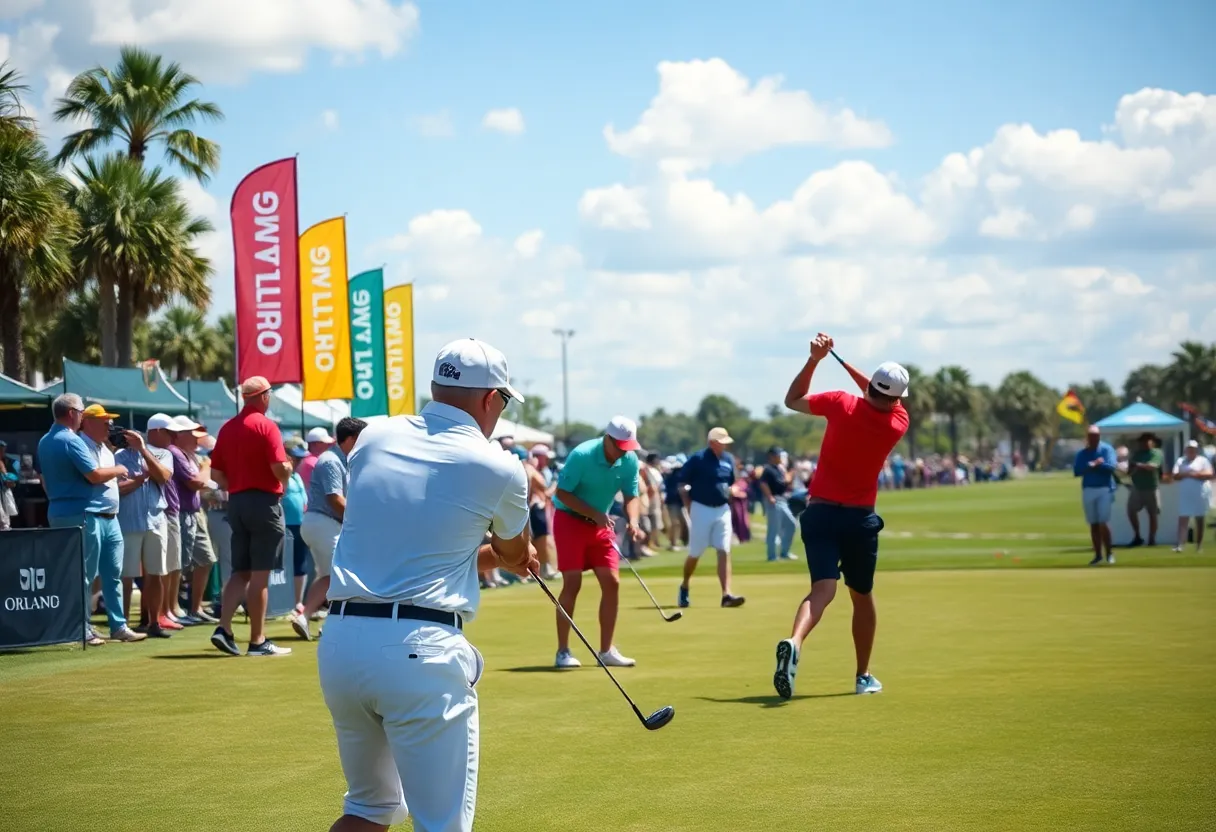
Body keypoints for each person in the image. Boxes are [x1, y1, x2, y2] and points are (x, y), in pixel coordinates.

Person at [317, 337, 537, 832]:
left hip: (342, 644)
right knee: (441, 824)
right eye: (502, 400)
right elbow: (514, 553)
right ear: (490, 399)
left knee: (368, 810)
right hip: (420, 652)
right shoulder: (501, 466)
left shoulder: (373, 436)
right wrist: (517, 557)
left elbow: (417, 542)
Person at [772, 334, 910, 699]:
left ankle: (795, 641)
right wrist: (845, 363)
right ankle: (863, 676)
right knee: (861, 595)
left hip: (818, 514)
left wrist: (817, 359)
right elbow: (879, 393)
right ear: (896, 398)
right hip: (859, 521)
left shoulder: (839, 403)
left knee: (823, 589)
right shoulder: (897, 423)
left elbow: (792, 400)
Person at [551, 416, 647, 669]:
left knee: (612, 582)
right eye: (619, 447)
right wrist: (594, 514)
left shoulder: (629, 460)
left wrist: (634, 521)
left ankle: (606, 650)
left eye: (627, 448)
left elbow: (631, 495)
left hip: (600, 525)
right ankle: (563, 651)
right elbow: (561, 493)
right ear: (607, 439)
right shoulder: (582, 455)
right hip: (570, 520)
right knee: (573, 584)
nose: (622, 454)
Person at [208, 376, 294, 657]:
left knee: (240, 572)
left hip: (237, 503)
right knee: (260, 575)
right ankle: (257, 641)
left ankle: (224, 628)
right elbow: (279, 466)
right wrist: (288, 473)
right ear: (264, 396)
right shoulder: (266, 426)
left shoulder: (228, 428)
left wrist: (236, 485)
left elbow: (216, 474)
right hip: (264, 503)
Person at [73, 404, 147, 643]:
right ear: (88, 422)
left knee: (113, 575)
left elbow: (111, 480)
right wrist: (118, 470)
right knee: (87, 575)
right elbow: (93, 476)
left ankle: (119, 626)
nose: (110, 426)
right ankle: (83, 627)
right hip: (90, 515)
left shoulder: (106, 449)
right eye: (104, 421)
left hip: (112, 517)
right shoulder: (79, 444)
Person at [291, 417, 368, 640]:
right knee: (343, 574)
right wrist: (357, 522)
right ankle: (333, 623)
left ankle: (304, 617)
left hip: (321, 524)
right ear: (352, 439)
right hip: (323, 522)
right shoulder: (331, 461)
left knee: (330, 575)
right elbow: (335, 498)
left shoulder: (341, 460)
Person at [115, 415, 174, 636]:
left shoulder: (162, 454)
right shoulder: (117, 456)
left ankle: (153, 623)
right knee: (126, 575)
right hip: (129, 520)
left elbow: (163, 477)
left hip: (156, 520)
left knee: (156, 573)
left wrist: (143, 450)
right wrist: (138, 481)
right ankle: (123, 624)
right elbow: (117, 488)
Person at [676, 427, 746, 609]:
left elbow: (730, 482)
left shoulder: (728, 459)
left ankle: (726, 594)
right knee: (695, 553)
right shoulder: (697, 459)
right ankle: (684, 585)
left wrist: (733, 492)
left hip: (722, 509)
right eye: (721, 442)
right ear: (712, 442)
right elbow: (682, 483)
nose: (725, 445)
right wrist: (689, 506)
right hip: (701, 508)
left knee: (724, 549)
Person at [1073, 425, 1117, 566]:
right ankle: (1098, 555)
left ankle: (1109, 553)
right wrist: (1091, 465)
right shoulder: (1083, 453)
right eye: (1091, 437)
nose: (1093, 439)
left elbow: (1111, 467)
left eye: (1096, 436)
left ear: (1099, 436)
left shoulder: (1106, 449)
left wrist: (1099, 465)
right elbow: (1077, 471)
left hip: (1104, 488)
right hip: (1088, 489)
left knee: (1103, 522)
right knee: (1093, 524)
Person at [525, 443, 559, 580]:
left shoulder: (537, 471)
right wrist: (557, 481)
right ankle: (543, 570)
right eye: (545, 457)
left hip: (534, 509)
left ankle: (542, 569)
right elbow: (547, 493)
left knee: (539, 540)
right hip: (534, 510)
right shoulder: (531, 470)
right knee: (541, 540)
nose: (547, 461)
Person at [1172, 439, 1213, 553]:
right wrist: (1187, 474)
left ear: (1196, 450)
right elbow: (1175, 475)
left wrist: (1193, 474)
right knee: (1183, 518)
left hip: (1200, 493)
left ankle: (1199, 546)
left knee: (1199, 518)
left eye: (1193, 449)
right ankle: (1180, 545)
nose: (1191, 451)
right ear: (1186, 450)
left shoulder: (1203, 460)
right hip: (1186, 493)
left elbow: (1209, 474)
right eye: (1189, 449)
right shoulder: (1181, 461)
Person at [284, 444, 311, 613]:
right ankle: (283, 602)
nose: (299, 461)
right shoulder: (282, 476)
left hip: (301, 525)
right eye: (296, 457)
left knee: (300, 564)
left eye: (301, 458)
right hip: (284, 526)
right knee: (284, 566)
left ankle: (297, 603)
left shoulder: (297, 476)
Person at [759, 446, 798, 562]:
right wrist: (769, 496)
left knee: (791, 524)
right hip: (774, 500)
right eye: (778, 455)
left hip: (782, 500)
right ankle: (772, 556)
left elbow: (785, 482)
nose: (780, 457)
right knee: (773, 529)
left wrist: (790, 473)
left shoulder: (779, 469)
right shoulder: (768, 469)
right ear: (772, 456)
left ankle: (784, 552)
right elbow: (763, 484)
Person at [1127, 433, 1164, 547]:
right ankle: (1137, 536)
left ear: (1152, 442)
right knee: (1131, 510)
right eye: (1142, 441)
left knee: (1152, 514)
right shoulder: (1136, 454)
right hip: (1137, 487)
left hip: (1151, 487)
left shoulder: (1156, 453)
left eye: (1147, 441)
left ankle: (1151, 539)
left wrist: (1138, 465)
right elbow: (1130, 470)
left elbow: (1153, 466)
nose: (1144, 443)